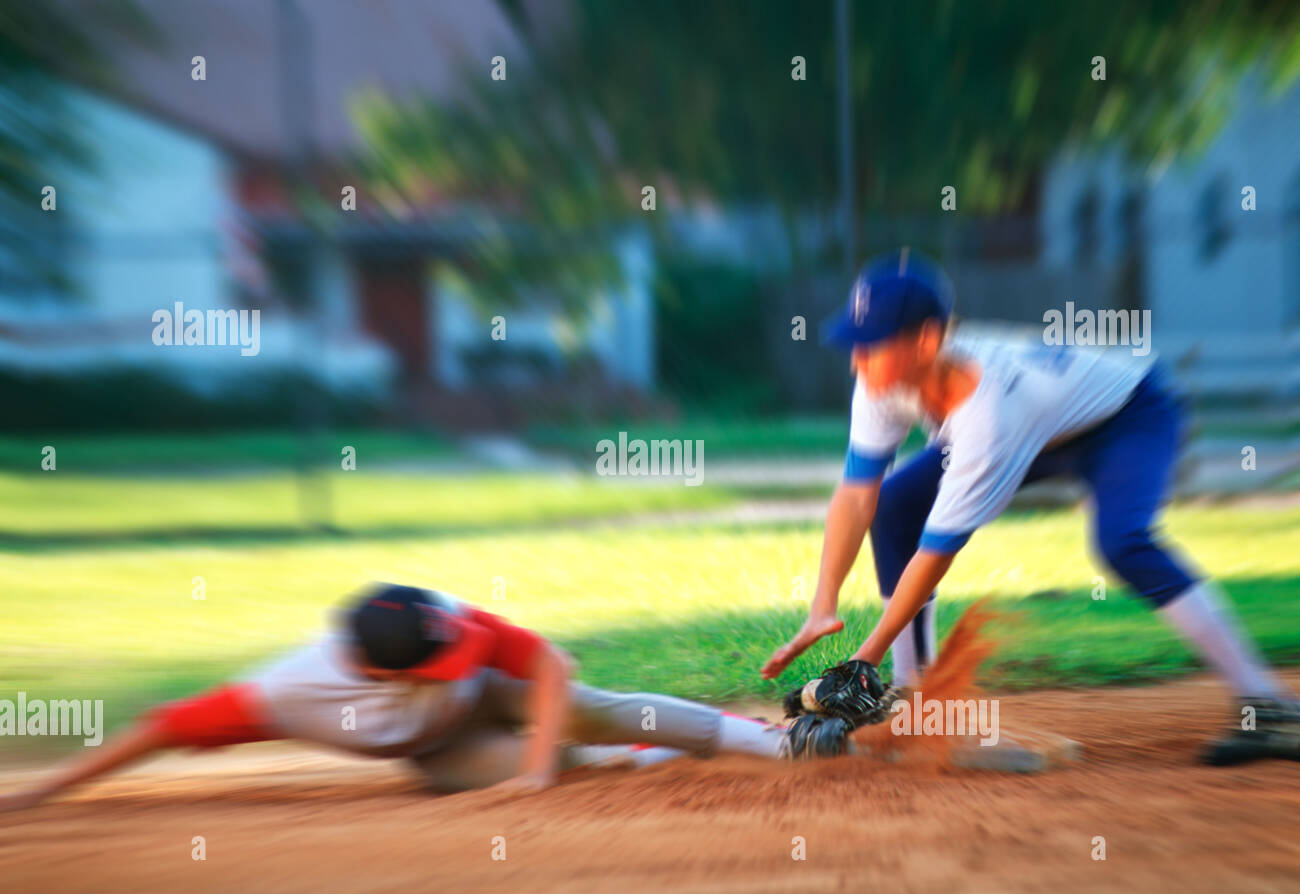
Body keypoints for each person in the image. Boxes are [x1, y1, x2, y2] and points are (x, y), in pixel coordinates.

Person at [761, 248, 1299, 765]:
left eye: (872, 343)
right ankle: (918, 705)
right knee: (896, 504)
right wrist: (822, 606)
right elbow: (858, 493)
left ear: (925, 341)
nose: (857, 359)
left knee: (1122, 541)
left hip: (1125, 417)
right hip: (1041, 425)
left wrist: (864, 661)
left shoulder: (988, 414)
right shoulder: (883, 382)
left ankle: (1267, 704)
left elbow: (936, 552)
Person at [0, 582, 829, 813]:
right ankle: (632, 757)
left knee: (589, 711)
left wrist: (538, 771)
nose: (457, 641)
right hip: (437, 753)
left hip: (502, 703)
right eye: (440, 654)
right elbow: (160, 728)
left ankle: (780, 741)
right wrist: (39, 789)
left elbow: (549, 667)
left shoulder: (441, 620)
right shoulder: (289, 694)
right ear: (381, 674)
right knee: (546, 763)